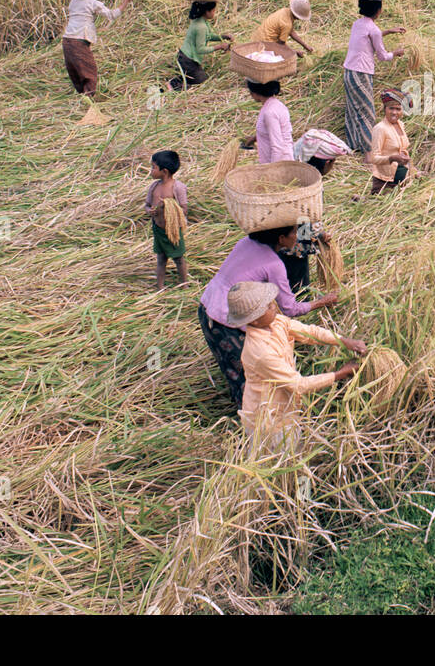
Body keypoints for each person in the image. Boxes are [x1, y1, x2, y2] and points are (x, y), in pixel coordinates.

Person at [198, 227, 339, 408]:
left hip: (206, 308)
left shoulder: (246, 242)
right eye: (294, 233)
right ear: (281, 238)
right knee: (251, 378)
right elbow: (290, 309)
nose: (298, 236)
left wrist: (318, 237)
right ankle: (255, 424)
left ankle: (246, 412)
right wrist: (322, 302)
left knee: (233, 369)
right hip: (227, 323)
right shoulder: (274, 264)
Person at [226, 281, 364, 446]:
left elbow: (310, 332)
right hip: (269, 422)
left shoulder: (275, 322)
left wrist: (343, 341)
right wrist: (340, 374)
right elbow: (299, 385)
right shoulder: (261, 353)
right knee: (280, 461)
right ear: (254, 320)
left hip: (286, 409)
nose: (274, 307)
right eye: (268, 306)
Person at [343, 0, 405, 153]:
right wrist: (395, 53)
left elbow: (369, 36)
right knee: (367, 113)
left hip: (349, 72)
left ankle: (353, 145)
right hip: (361, 74)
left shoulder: (357, 24)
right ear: (378, 10)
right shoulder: (374, 30)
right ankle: (369, 150)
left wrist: (389, 31)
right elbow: (383, 56)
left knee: (352, 110)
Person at [61, 0, 133, 97]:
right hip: (78, 42)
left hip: (66, 41)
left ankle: (82, 96)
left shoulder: (73, 1)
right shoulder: (92, 2)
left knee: (75, 71)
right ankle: (88, 99)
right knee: (89, 72)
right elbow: (112, 15)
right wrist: (126, 0)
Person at [144, 149, 188, 289]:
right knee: (161, 258)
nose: (151, 171)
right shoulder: (154, 187)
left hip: (172, 231)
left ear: (164, 171)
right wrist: (150, 211)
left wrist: (167, 207)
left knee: (179, 258)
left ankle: (184, 284)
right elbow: (146, 205)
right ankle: (160, 286)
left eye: (153, 167)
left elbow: (184, 210)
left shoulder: (178, 188)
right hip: (158, 230)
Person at [169, 0, 231, 91]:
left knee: (195, 77)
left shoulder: (201, 21)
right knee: (203, 84)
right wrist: (219, 46)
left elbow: (208, 36)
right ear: (207, 12)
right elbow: (200, 49)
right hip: (188, 61)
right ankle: (173, 85)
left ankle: (181, 78)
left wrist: (223, 36)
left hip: (184, 57)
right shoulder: (201, 27)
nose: (215, 13)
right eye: (213, 11)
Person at [368, 89, 412, 195]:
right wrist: (392, 158)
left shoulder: (401, 125)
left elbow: (403, 150)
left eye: (398, 109)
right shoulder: (380, 128)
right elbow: (374, 158)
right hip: (385, 181)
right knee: (379, 203)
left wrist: (412, 169)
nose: (394, 112)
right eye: (391, 108)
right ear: (385, 109)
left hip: (402, 180)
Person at [251, 78, 294, 163]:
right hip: (282, 160)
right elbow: (274, 132)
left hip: (279, 164)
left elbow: (277, 147)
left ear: (255, 92)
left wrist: (272, 172)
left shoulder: (269, 112)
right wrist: (254, 138)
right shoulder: (276, 104)